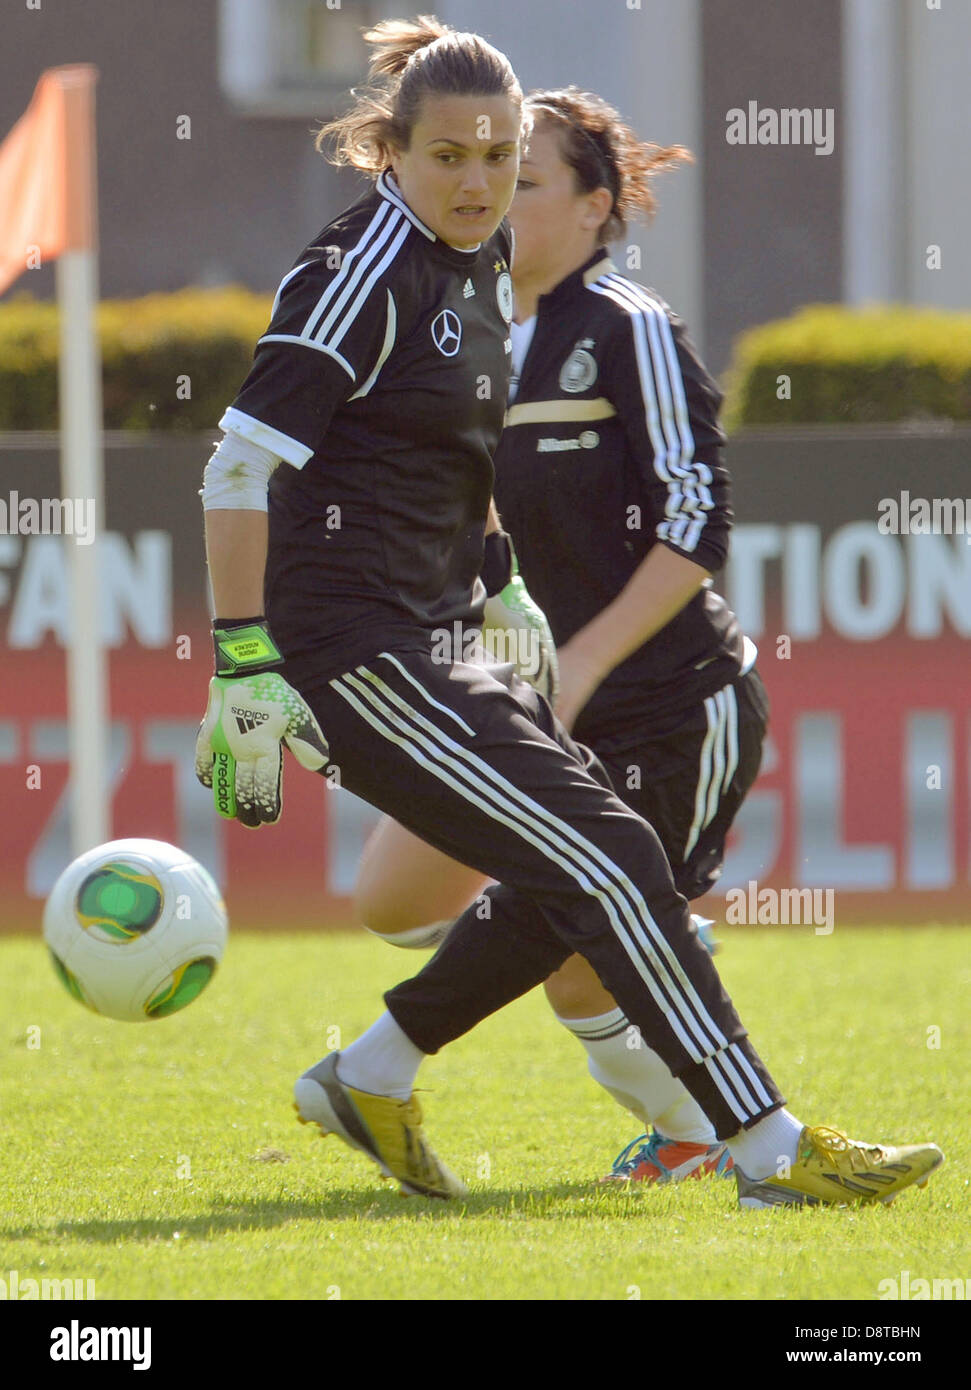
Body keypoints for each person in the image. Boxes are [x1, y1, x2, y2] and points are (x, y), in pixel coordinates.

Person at [194, 16, 942, 1208]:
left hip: (438, 634)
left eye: (499, 155)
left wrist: (503, 584)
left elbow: (445, 457)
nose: (480, 180)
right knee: (599, 860)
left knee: (594, 864)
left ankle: (383, 1078)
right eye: (450, 156)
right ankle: (766, 1150)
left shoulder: (483, 269)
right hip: (356, 646)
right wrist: (242, 664)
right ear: (389, 149)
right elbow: (238, 469)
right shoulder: (358, 272)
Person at [351, 87, 769, 1187]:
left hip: (676, 703)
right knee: (388, 901)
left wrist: (581, 661)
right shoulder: (454, 337)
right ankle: (643, 964)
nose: (488, 192)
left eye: (521, 178)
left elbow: (697, 522)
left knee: (583, 966)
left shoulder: (623, 327)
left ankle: (693, 1125)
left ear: (594, 209)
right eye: (473, 166)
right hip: (534, 705)